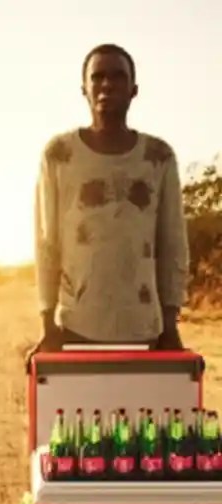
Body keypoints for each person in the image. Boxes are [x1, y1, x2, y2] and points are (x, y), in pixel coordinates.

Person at [32, 43, 189, 358]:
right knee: (79, 410)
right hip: (76, 325)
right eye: (98, 76)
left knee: (145, 409)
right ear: (84, 89)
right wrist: (48, 325)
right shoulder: (60, 155)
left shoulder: (157, 157)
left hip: (145, 327)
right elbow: (47, 242)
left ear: (134, 89)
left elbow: (172, 243)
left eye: (118, 76)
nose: (107, 84)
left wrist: (170, 328)